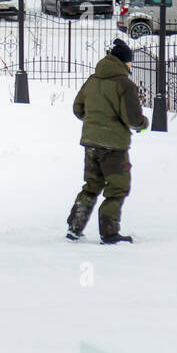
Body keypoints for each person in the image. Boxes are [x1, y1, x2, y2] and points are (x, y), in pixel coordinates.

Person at [66, 38, 148, 244]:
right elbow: (132, 118)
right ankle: (110, 233)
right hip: (114, 146)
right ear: (123, 62)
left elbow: (78, 108)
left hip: (90, 142)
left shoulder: (93, 79)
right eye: (129, 62)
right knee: (118, 187)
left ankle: (75, 226)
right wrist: (143, 123)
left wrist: (95, 121)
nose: (130, 66)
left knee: (92, 185)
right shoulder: (125, 85)